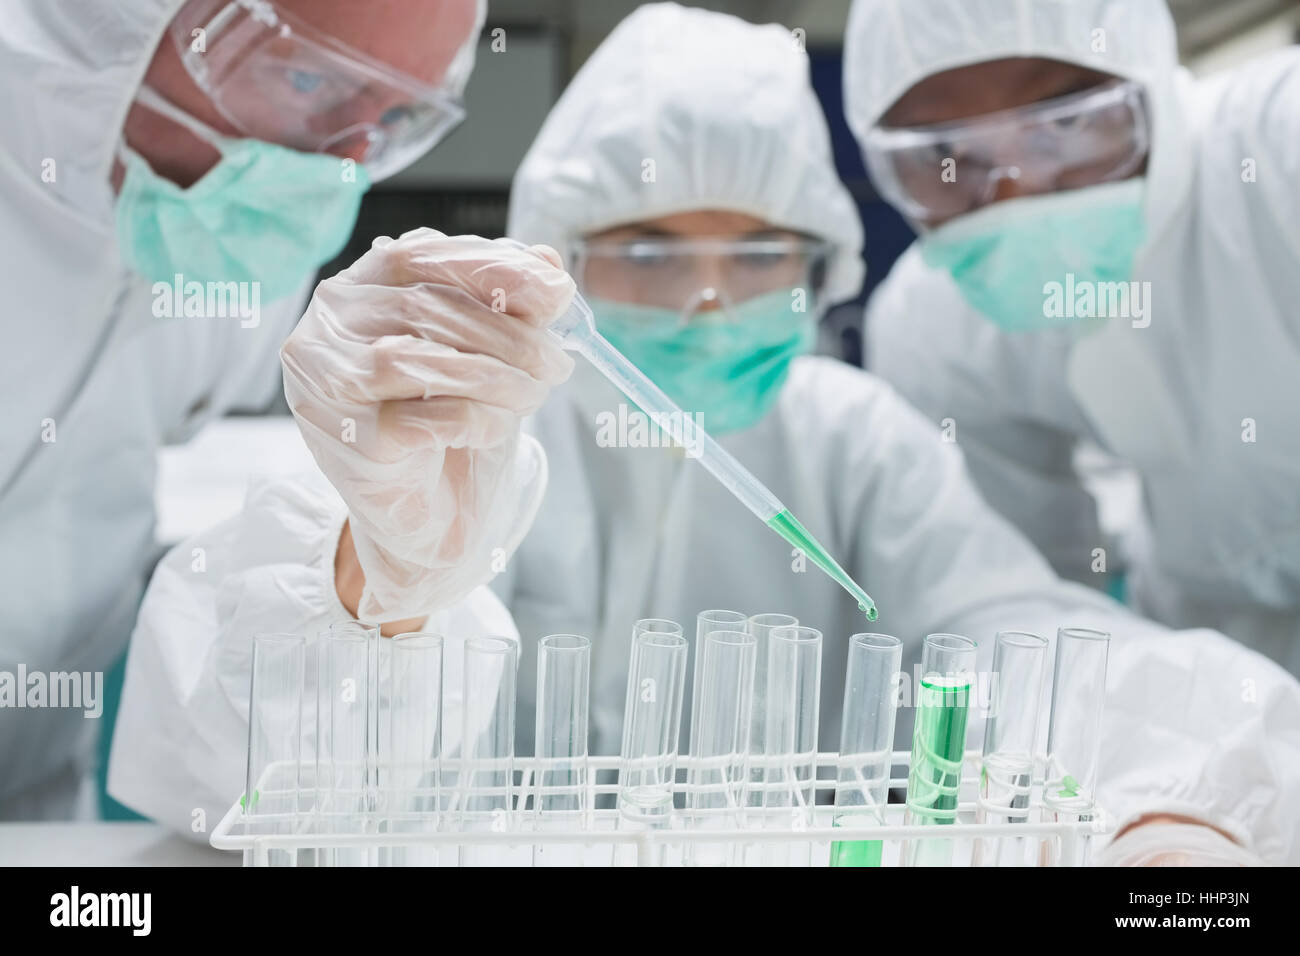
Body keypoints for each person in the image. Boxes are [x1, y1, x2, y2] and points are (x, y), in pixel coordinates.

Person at [499, 2, 1300, 863]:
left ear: (822, 266)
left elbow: (1012, 633)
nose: (711, 305)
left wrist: (1166, 802)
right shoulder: (483, 438)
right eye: (650, 255)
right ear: (557, 260)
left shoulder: (854, 438)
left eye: (761, 255)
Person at [2, 0, 576, 825]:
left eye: (396, 114)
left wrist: (370, 580)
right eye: (308, 77)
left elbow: (234, 780)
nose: (348, 160)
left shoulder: (223, 249)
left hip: (34, 818)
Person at [842, 0, 1300, 674]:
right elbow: (1016, 603)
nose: (1016, 190)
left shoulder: (1276, 148)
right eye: (944, 155)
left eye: (1067, 122)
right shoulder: (931, 322)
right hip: (1212, 658)